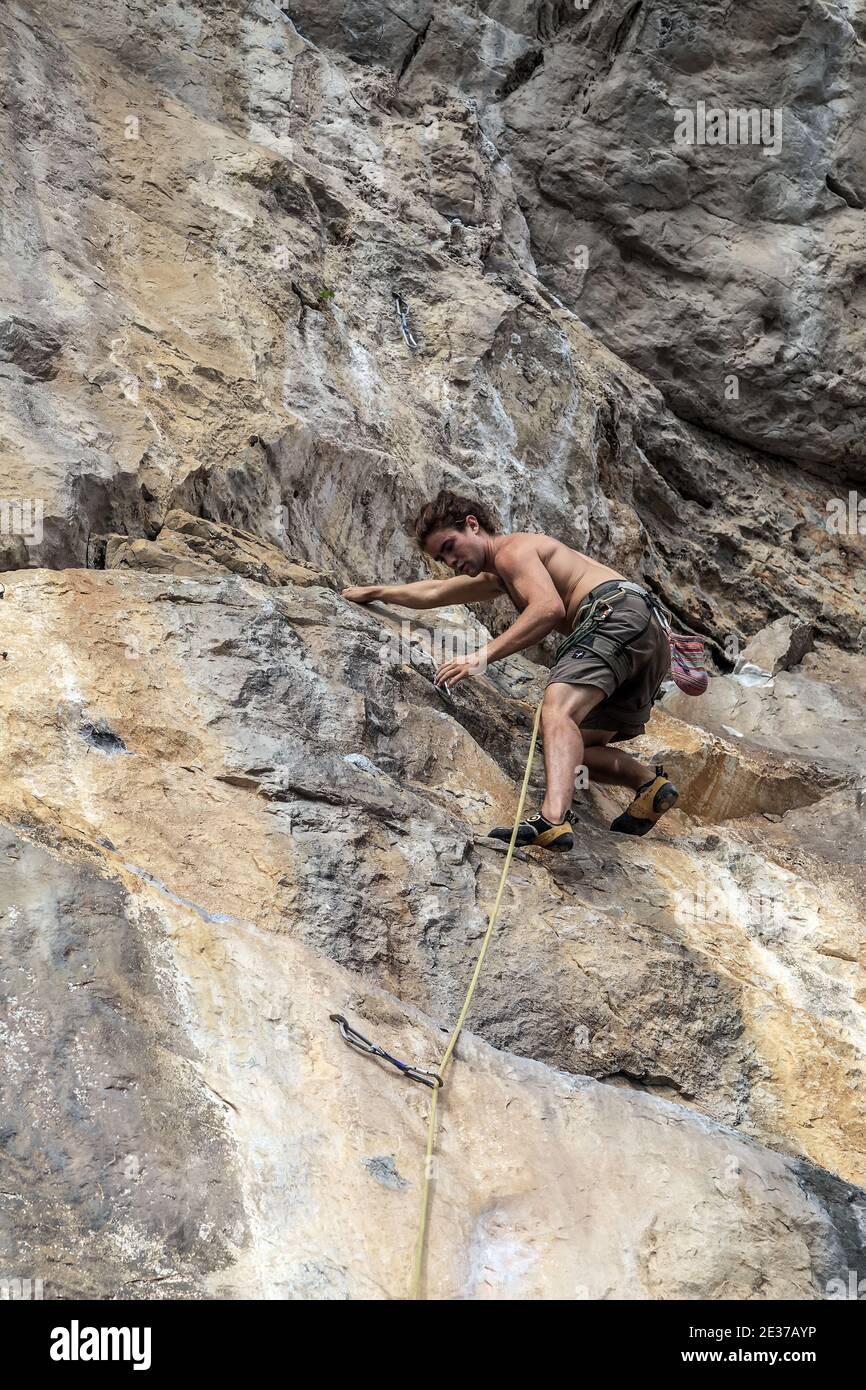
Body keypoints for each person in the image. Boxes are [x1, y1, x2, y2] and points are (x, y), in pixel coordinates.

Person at [342, 489, 677, 849]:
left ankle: (552, 819)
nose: (450, 561)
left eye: (451, 546)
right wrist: (377, 591)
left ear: (473, 525)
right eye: (441, 556)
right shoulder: (500, 572)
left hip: (614, 615)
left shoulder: (512, 550)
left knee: (556, 712)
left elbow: (548, 609)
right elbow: (437, 592)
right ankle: (649, 785)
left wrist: (480, 657)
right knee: (569, 740)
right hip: (649, 636)